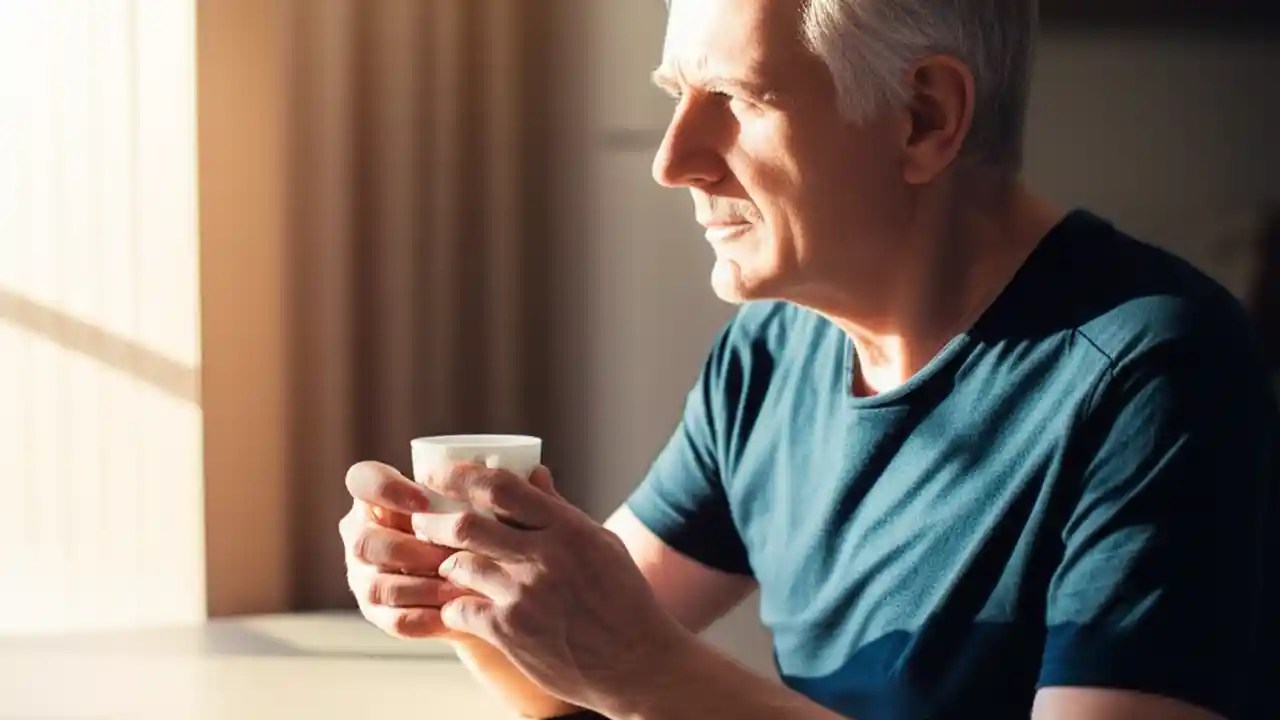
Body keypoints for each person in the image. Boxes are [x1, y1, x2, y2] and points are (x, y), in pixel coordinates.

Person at [338, 0, 1279, 718]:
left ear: (922, 117)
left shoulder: (1157, 378)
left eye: (738, 100)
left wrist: (649, 672)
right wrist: (459, 580)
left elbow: (625, 664)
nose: (675, 160)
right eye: (676, 97)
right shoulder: (771, 355)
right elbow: (565, 677)